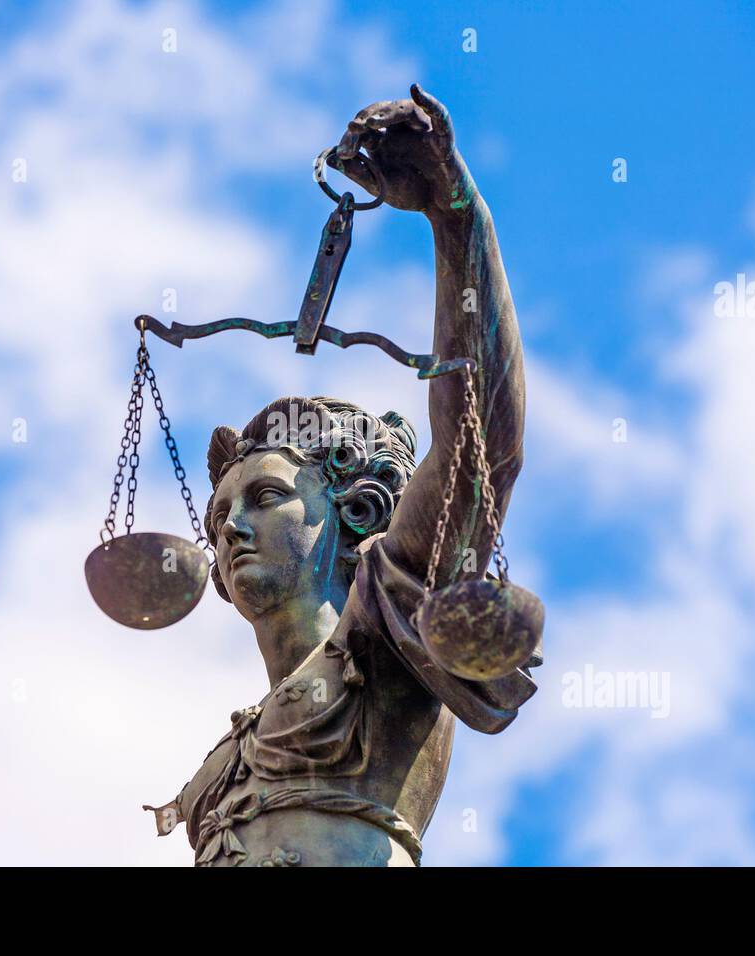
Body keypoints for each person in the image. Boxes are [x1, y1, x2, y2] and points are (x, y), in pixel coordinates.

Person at [144, 84, 537, 866]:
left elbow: (478, 443)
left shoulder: (389, 631)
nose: (229, 526)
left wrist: (454, 215)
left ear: (353, 512)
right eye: (220, 512)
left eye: (265, 497)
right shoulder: (231, 753)